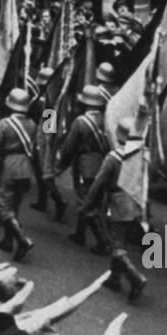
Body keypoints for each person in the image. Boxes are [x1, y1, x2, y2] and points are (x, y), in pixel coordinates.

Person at [79, 118, 148, 302]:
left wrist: (88, 202)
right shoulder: (141, 154)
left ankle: (135, 278)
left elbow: (100, 182)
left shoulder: (113, 156)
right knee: (121, 240)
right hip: (134, 201)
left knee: (116, 242)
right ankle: (115, 277)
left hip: (113, 195)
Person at [56, 86, 111, 254]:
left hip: (86, 164)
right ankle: (80, 233)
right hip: (102, 162)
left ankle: (104, 241)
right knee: (90, 198)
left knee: (87, 200)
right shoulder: (106, 118)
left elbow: (69, 146)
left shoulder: (80, 121)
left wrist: (60, 162)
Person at [0, 87, 37, 261]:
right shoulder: (33, 123)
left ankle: (22, 239)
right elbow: (39, 143)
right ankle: (8, 240)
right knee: (15, 206)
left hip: (9, 166)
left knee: (4, 206)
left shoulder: (5, 123)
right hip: (26, 167)